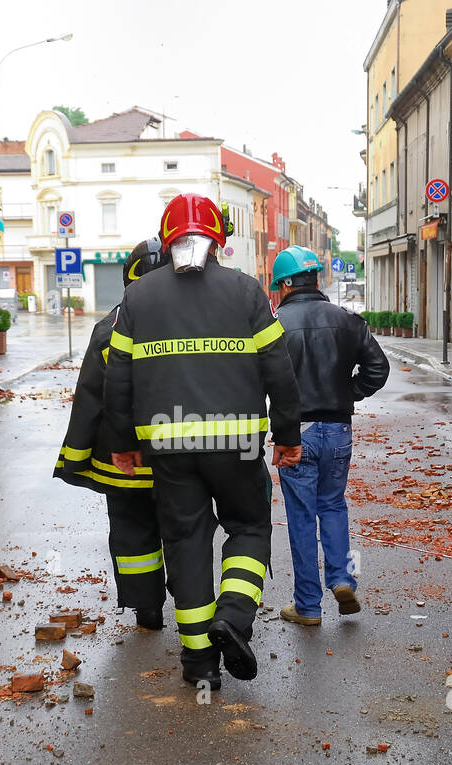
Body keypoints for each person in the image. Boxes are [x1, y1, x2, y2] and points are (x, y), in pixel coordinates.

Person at [104, 193, 303, 690]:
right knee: (249, 527)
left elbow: (118, 379)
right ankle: (233, 619)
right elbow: (279, 369)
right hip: (235, 446)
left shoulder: (138, 298)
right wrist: (288, 435)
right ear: (219, 239)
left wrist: (123, 442)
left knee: (186, 544)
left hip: (168, 452)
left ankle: (199, 667)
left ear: (166, 237)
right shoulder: (247, 292)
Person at [53, 238, 171, 629]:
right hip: (180, 456)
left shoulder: (109, 329)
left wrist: (75, 458)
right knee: (184, 529)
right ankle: (193, 602)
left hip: (123, 463)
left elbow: (90, 398)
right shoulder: (192, 321)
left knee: (133, 532)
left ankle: (147, 608)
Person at [270, 245, 389, 627]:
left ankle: (307, 606)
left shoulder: (274, 325)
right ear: (316, 278)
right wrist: (345, 394)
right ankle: (341, 578)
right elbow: (377, 369)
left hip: (296, 432)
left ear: (285, 284)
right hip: (338, 429)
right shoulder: (347, 320)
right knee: (333, 505)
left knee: (302, 517)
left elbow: (258, 380)